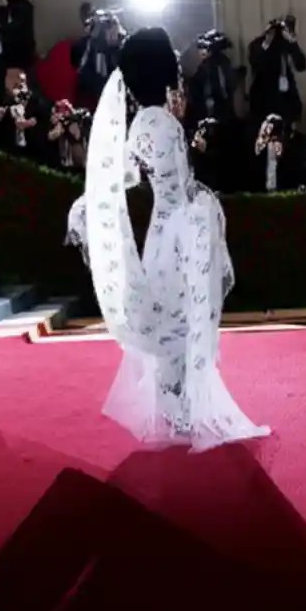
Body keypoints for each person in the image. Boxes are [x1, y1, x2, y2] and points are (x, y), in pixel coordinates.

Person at [65, 27, 270, 450]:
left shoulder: (149, 119)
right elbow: (156, 177)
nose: (180, 65)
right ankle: (179, 412)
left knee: (174, 320)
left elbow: (130, 173)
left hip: (170, 228)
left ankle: (177, 411)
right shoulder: (156, 122)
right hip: (179, 228)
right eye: (172, 60)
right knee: (178, 322)